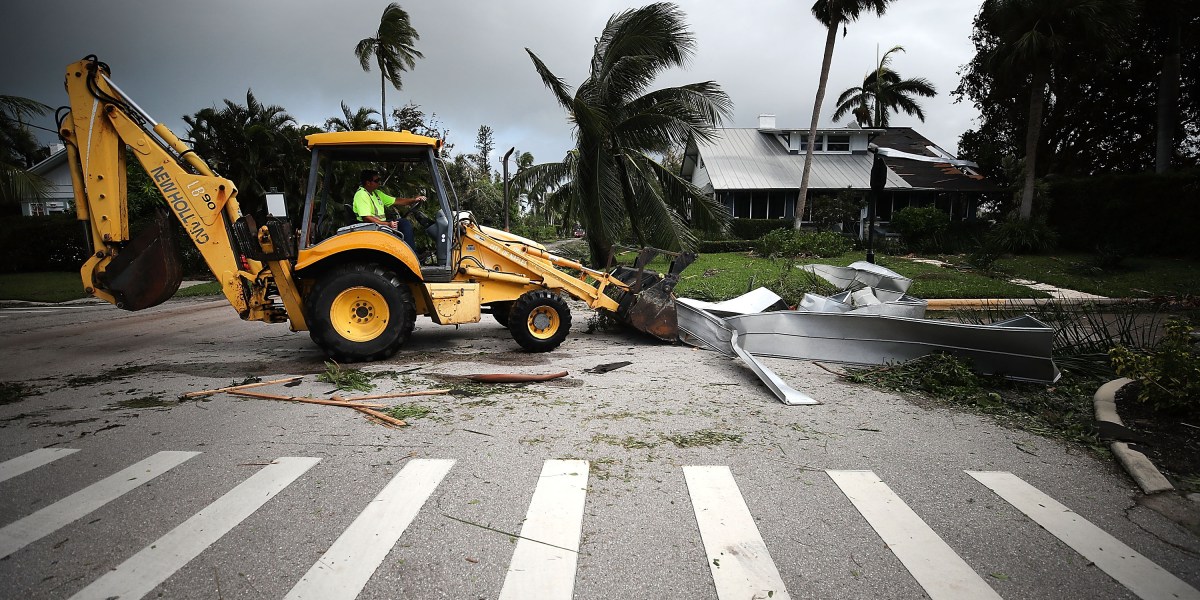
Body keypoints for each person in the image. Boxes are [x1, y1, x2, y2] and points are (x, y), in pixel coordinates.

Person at [352, 169, 426, 249]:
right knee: (404, 223)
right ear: (368, 183)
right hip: (370, 227)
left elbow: (396, 200)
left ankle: (409, 251)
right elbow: (366, 218)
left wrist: (414, 200)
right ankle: (412, 253)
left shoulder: (376, 193)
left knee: (402, 222)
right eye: (376, 180)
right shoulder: (361, 195)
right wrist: (387, 224)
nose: (379, 182)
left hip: (378, 225)